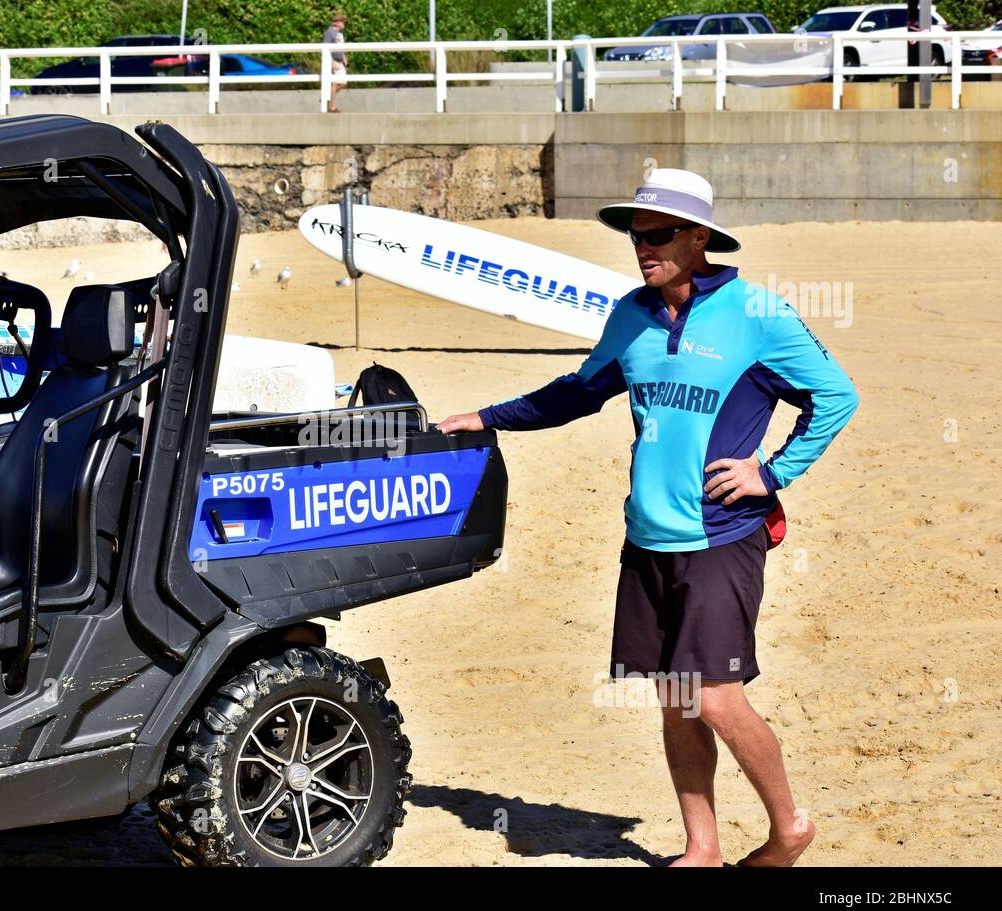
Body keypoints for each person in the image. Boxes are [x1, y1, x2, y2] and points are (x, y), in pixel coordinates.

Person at [439, 168, 859, 867]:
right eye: (636, 236)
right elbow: (577, 393)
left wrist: (771, 471)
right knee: (678, 703)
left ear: (700, 238)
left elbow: (836, 397)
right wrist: (485, 417)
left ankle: (790, 828)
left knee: (718, 700)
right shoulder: (631, 314)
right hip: (648, 536)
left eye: (659, 234)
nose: (644, 247)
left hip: (722, 537)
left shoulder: (758, 315)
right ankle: (703, 848)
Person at [324, 12, 348, 113]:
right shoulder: (329, 32)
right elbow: (326, 47)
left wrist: (344, 57)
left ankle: (327, 98)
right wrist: (330, 61)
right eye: (343, 22)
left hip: (340, 62)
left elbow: (340, 47)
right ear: (337, 22)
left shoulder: (340, 34)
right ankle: (332, 107)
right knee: (334, 84)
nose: (344, 25)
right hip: (333, 62)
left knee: (344, 82)